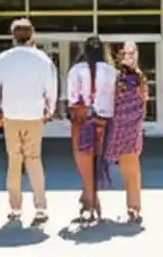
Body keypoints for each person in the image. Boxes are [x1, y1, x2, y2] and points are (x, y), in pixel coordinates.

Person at [0, 18, 57, 226]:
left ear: (13, 36)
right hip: (34, 115)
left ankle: (15, 208)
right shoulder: (43, 59)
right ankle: (41, 207)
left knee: (14, 161)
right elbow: (51, 87)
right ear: (32, 35)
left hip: (11, 115)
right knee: (34, 160)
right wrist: (50, 108)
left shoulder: (3, 59)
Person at [66, 35, 115, 223]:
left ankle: (90, 199)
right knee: (98, 163)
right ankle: (89, 197)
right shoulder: (111, 71)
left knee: (84, 162)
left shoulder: (77, 70)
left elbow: (72, 98)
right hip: (104, 122)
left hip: (82, 121)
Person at [104, 41, 147, 224]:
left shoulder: (118, 81)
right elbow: (144, 104)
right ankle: (134, 206)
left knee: (126, 171)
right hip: (134, 129)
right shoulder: (140, 79)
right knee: (134, 171)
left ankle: (133, 207)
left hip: (121, 130)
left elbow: (113, 104)